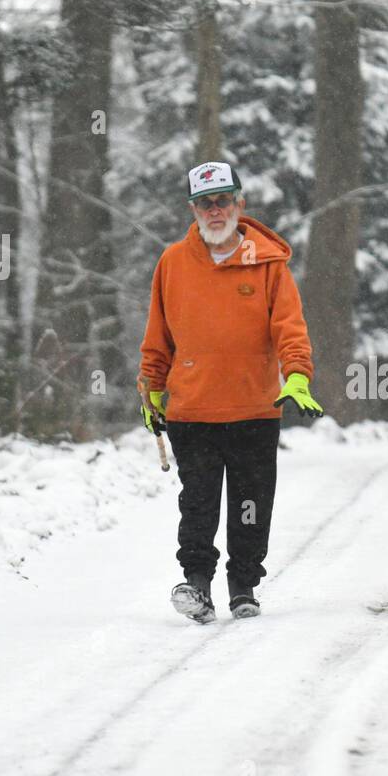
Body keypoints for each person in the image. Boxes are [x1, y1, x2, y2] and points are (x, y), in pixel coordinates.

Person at [138, 160, 324, 623]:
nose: (215, 211)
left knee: (249, 504)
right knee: (197, 504)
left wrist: (297, 375)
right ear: (193, 209)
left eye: (223, 200)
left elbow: (290, 329)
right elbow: (157, 338)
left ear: (240, 203)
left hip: (255, 409)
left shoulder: (268, 263)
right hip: (192, 410)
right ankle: (197, 585)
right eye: (205, 203)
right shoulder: (173, 263)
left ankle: (243, 586)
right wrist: (151, 393)